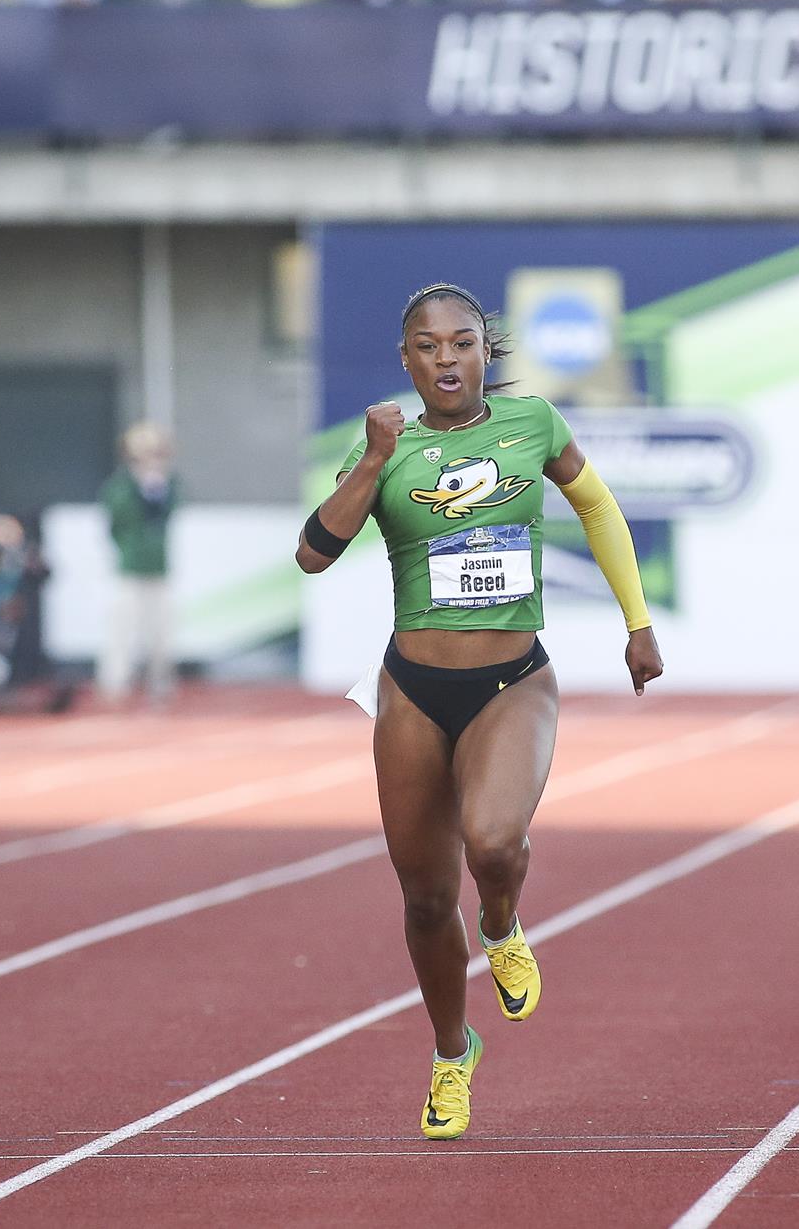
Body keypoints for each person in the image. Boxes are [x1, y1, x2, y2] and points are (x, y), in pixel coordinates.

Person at [296, 283, 663, 1139]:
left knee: (494, 843)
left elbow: (599, 505)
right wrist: (376, 459)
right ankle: (452, 1053)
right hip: (413, 690)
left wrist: (637, 621)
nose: (446, 359)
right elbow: (315, 553)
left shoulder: (531, 422)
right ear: (406, 360)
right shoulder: (387, 444)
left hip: (513, 679)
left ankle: (501, 925)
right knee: (424, 899)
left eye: (462, 343)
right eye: (428, 346)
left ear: (484, 353)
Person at [98, 422, 177, 704]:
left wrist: (156, 490)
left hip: (158, 566)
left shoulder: (168, 484)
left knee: (161, 630)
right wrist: (139, 489)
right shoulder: (121, 485)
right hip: (130, 567)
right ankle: (115, 682)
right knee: (121, 627)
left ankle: (160, 681)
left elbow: (169, 511)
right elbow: (117, 518)